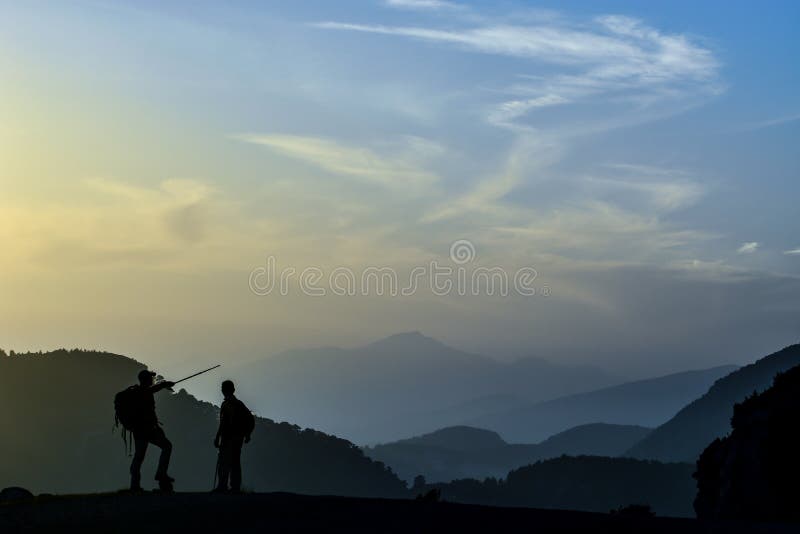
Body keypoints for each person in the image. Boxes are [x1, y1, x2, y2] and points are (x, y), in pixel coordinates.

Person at [129, 370, 175, 492]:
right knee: (166, 447)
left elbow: (153, 389)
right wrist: (165, 384)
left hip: (141, 430)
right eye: (150, 378)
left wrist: (164, 385)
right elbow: (153, 389)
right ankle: (160, 474)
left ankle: (135, 485)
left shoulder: (140, 392)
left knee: (139, 457)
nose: (152, 379)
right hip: (146, 430)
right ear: (145, 379)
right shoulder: (143, 391)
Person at [213, 380, 254, 494]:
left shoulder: (229, 404)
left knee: (225, 461)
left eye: (223, 388)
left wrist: (218, 437)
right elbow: (250, 419)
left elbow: (223, 423)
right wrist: (247, 434)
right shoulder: (237, 403)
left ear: (225, 390)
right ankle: (234, 487)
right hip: (236, 438)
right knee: (234, 462)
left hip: (229, 438)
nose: (222, 390)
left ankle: (223, 486)